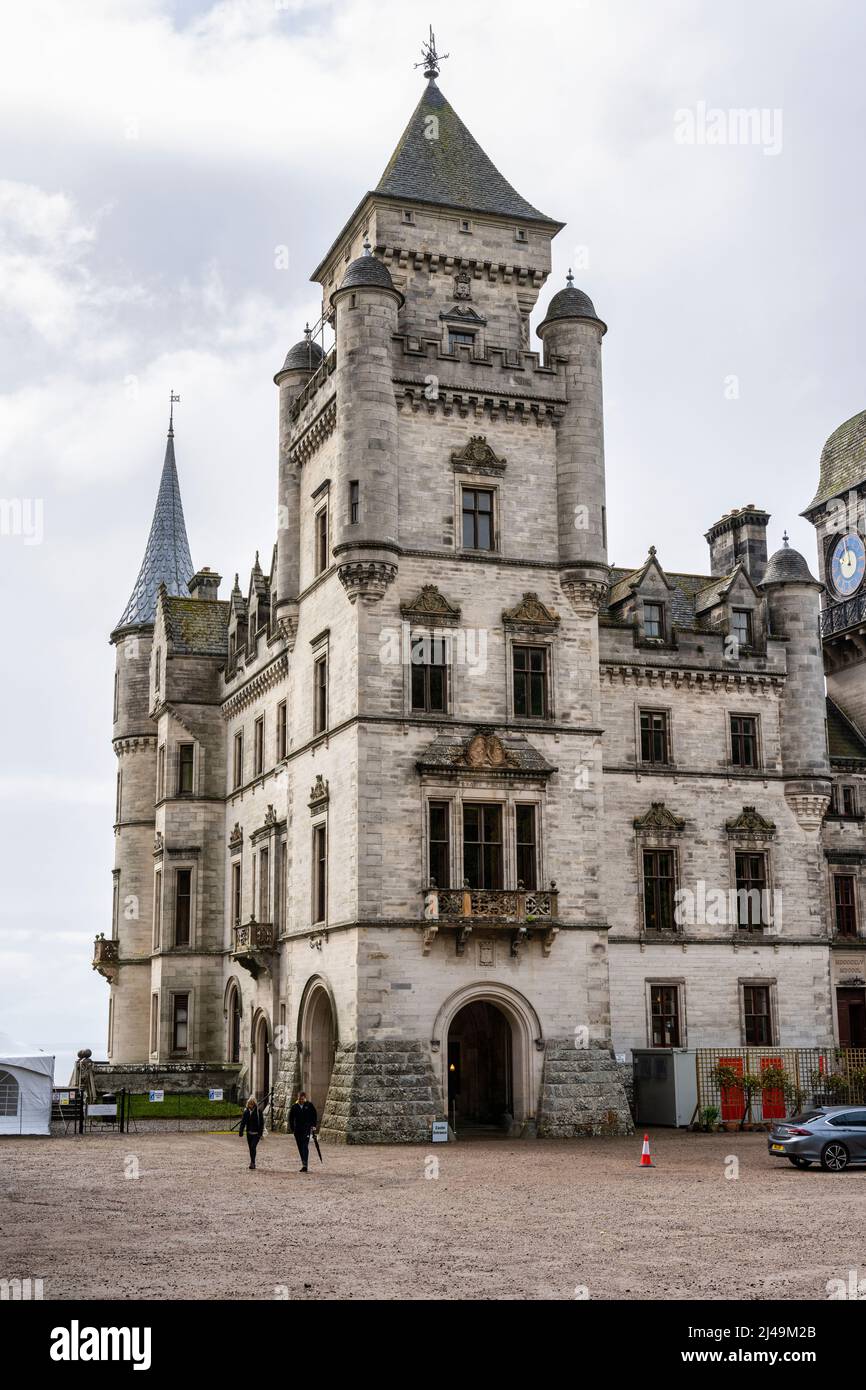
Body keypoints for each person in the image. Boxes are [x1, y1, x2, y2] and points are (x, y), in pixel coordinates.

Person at [288, 1091, 318, 1172]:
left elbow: (314, 1115)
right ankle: (303, 1162)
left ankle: (305, 1164)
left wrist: (313, 1125)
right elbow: (291, 1118)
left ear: (304, 1098)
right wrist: (292, 1129)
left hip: (306, 1129)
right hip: (297, 1130)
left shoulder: (309, 1105)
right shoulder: (294, 1106)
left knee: (305, 1146)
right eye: (299, 1099)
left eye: (302, 1099)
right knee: (300, 1147)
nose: (301, 1100)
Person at [238, 1095, 265, 1170]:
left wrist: (260, 1133)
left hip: (256, 1134)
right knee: (251, 1148)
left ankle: (253, 1162)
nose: (251, 1105)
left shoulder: (258, 1112)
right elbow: (243, 1122)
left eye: (252, 1104)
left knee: (253, 1147)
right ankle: (252, 1162)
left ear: (255, 1104)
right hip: (249, 1133)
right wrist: (241, 1131)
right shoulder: (246, 1112)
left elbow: (262, 1123)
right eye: (250, 1103)